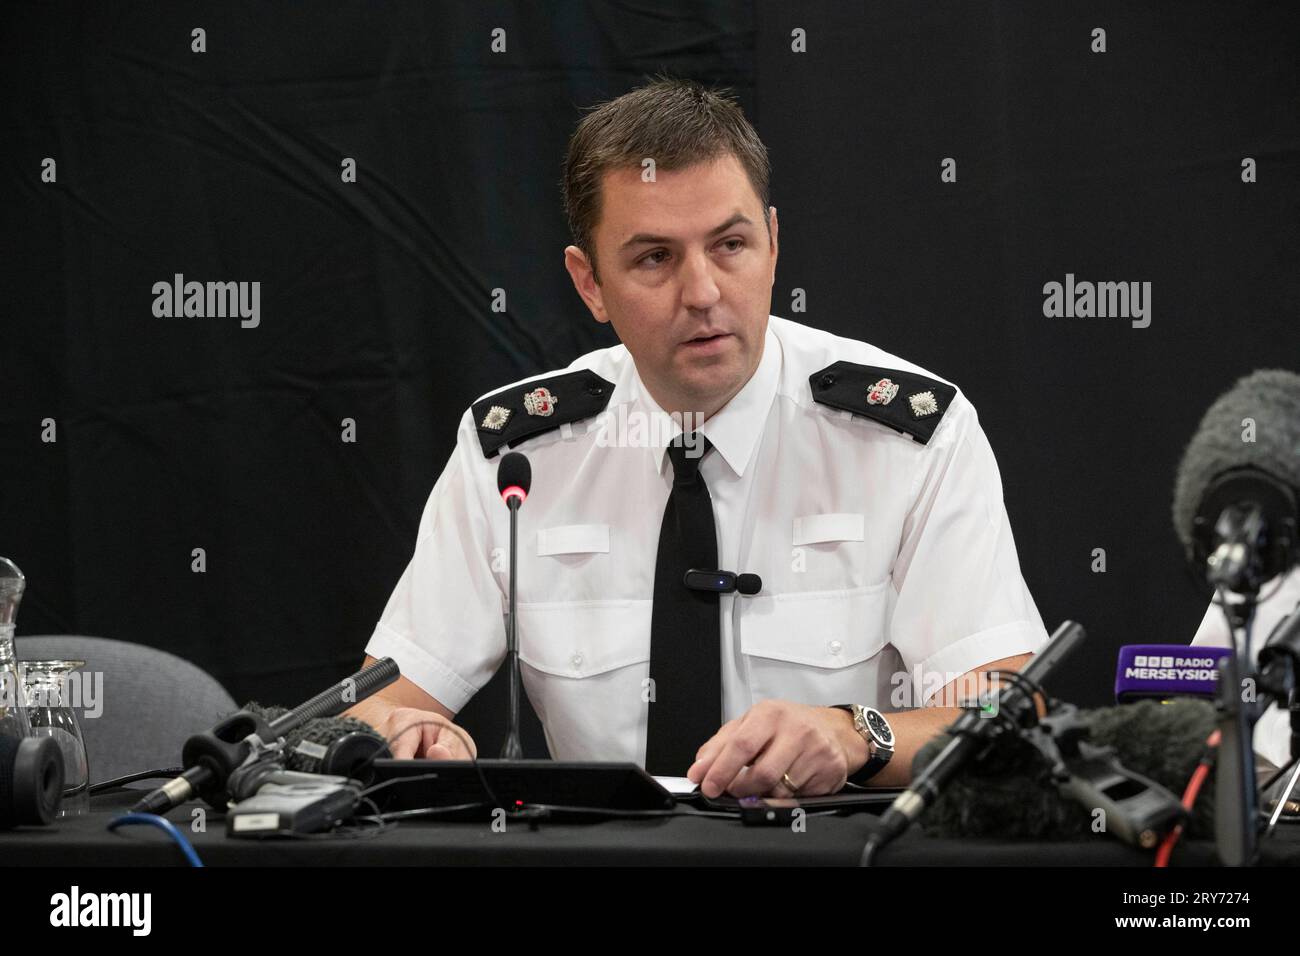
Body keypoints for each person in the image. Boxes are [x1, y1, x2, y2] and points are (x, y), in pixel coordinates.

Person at [345, 77, 1048, 798]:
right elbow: (382, 705)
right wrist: (404, 734)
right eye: (655, 258)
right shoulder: (520, 455)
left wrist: (854, 734)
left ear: (773, 244)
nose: (704, 292)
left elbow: (1004, 710)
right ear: (589, 284)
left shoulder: (909, 435)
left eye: (731, 245)